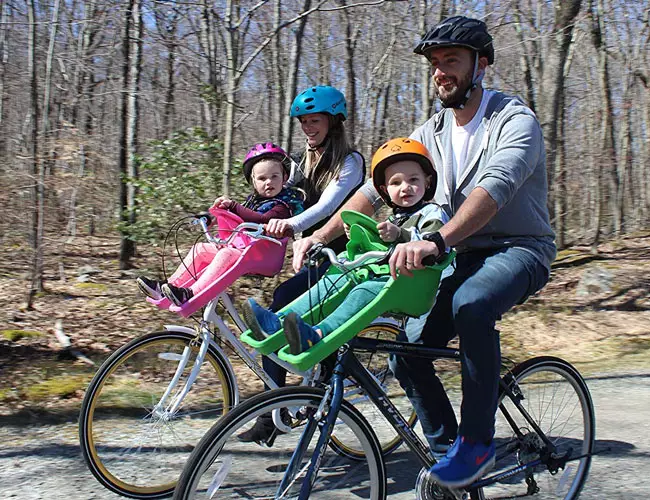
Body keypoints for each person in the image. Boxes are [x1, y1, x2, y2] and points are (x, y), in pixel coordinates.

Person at [292, 16, 556, 488]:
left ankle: (477, 447)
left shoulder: (515, 120)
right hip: (456, 252)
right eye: (435, 64)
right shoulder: (431, 130)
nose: (440, 72)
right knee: (406, 353)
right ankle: (447, 463)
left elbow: (493, 190)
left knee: (471, 305)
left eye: (451, 60)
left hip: (519, 248)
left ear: (482, 65)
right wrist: (319, 235)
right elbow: (375, 191)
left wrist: (435, 240)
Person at [238, 85, 366, 444]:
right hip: (314, 255)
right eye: (304, 122)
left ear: (333, 121)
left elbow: (328, 206)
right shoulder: (300, 160)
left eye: (315, 121)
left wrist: (291, 226)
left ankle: (291, 403)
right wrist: (243, 216)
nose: (309, 128)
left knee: (281, 304)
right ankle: (277, 408)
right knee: (279, 313)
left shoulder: (350, 162)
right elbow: (277, 194)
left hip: (343, 257)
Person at [244, 138, 448, 360]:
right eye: (396, 183)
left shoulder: (431, 213)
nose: (405, 187)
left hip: (414, 284)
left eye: (413, 180)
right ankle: (277, 321)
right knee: (335, 274)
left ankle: (318, 335)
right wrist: (360, 238)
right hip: (387, 276)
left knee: (364, 291)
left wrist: (401, 235)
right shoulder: (396, 217)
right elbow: (381, 248)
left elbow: (434, 244)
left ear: (427, 182)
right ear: (384, 190)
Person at [136, 142, 304, 306]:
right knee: (200, 249)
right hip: (245, 250)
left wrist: (233, 206)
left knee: (225, 254)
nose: (268, 182)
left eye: (274, 176)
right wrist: (213, 216)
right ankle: (166, 287)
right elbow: (236, 217)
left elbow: (261, 219)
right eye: (262, 178)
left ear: (284, 177)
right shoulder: (253, 202)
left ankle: (190, 293)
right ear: (253, 182)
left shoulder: (283, 205)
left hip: (265, 256)